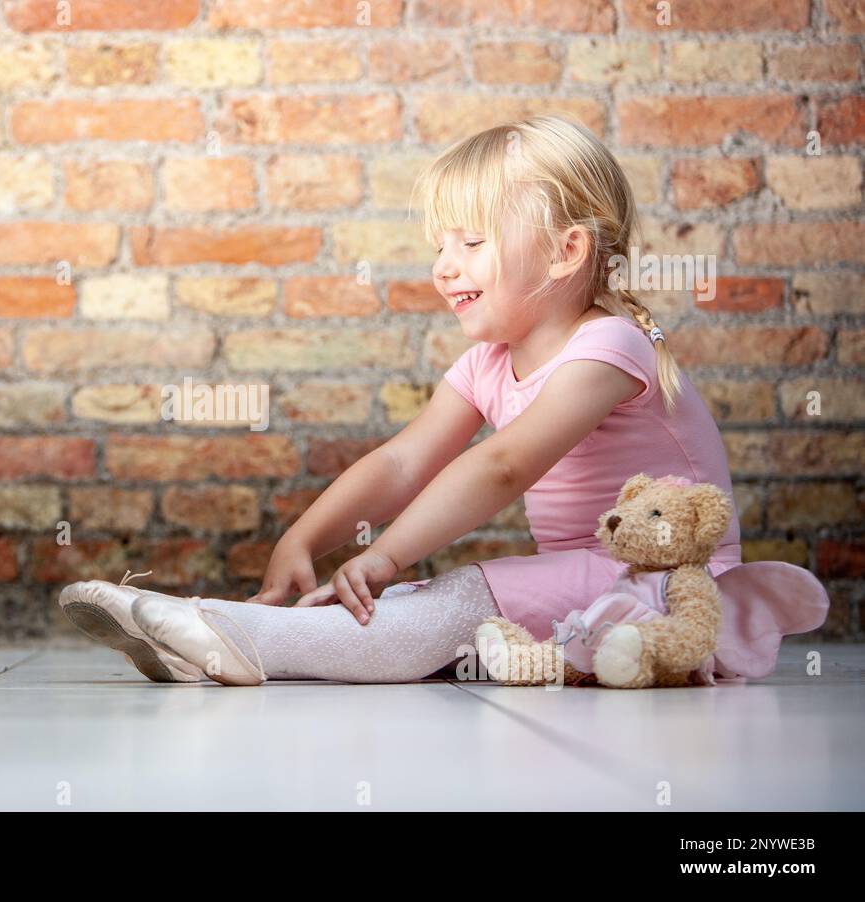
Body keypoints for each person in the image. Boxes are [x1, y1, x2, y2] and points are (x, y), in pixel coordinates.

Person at [57, 114, 818, 686]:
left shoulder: (611, 346)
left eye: (472, 242)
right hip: (586, 580)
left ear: (566, 251)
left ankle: (228, 635)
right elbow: (404, 460)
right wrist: (304, 538)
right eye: (440, 244)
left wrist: (386, 553)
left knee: (457, 597)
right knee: (436, 600)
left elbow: (504, 467)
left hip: (667, 593)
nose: (444, 265)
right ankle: (220, 641)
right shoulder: (489, 361)